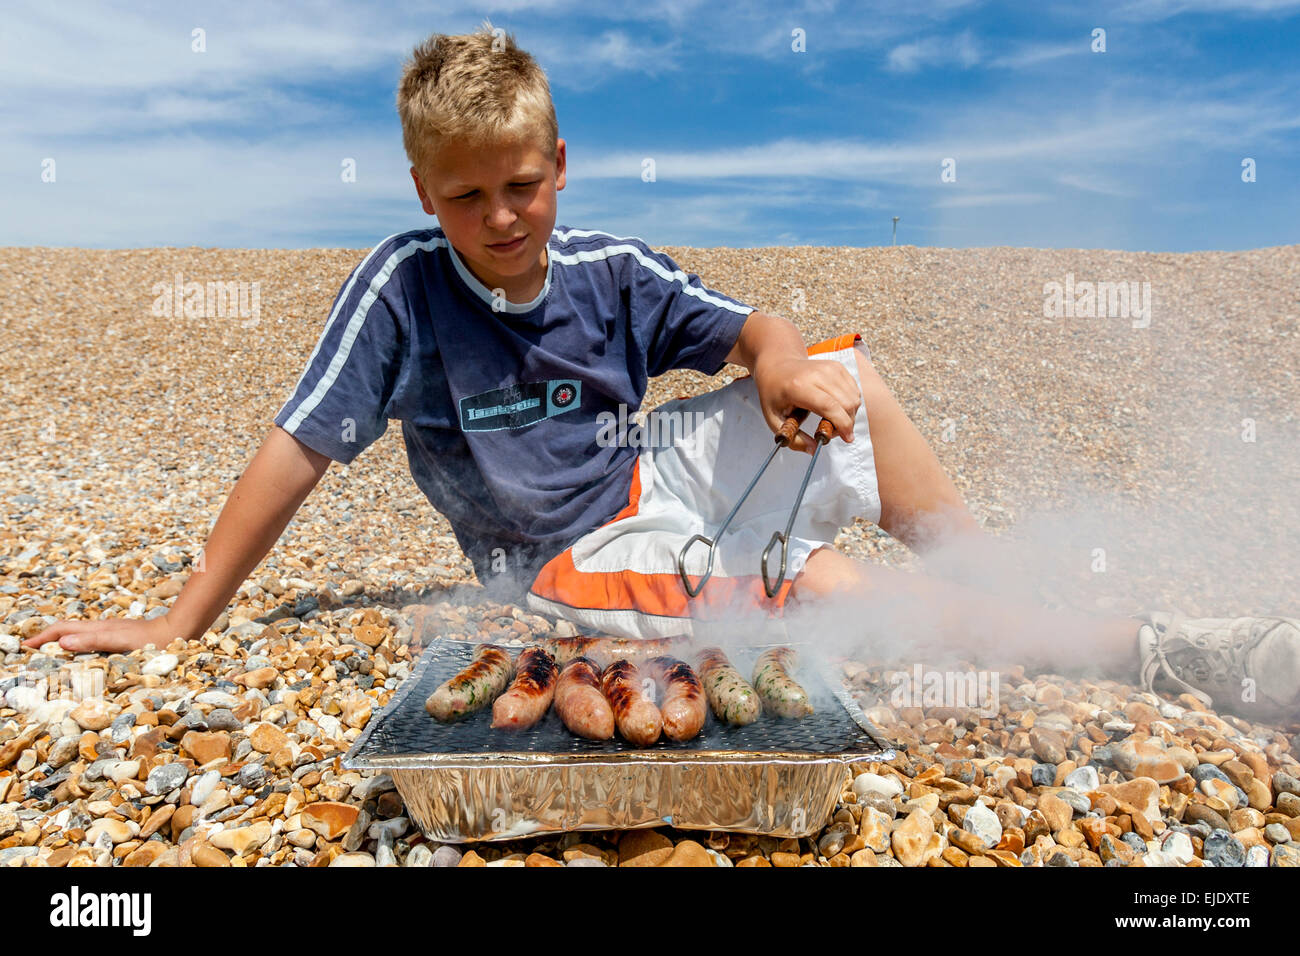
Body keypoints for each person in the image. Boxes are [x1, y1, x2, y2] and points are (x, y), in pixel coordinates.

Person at [25, 24, 1299, 723]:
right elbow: (294, 448)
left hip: (657, 472)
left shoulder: (610, 268)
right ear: (425, 190)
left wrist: (791, 374)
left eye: (521, 184)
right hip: (562, 554)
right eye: (466, 195)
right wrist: (180, 617)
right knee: (829, 586)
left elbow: (761, 331)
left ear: (559, 164)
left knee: (858, 385)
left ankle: (1000, 588)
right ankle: (1152, 654)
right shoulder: (403, 286)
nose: (501, 216)